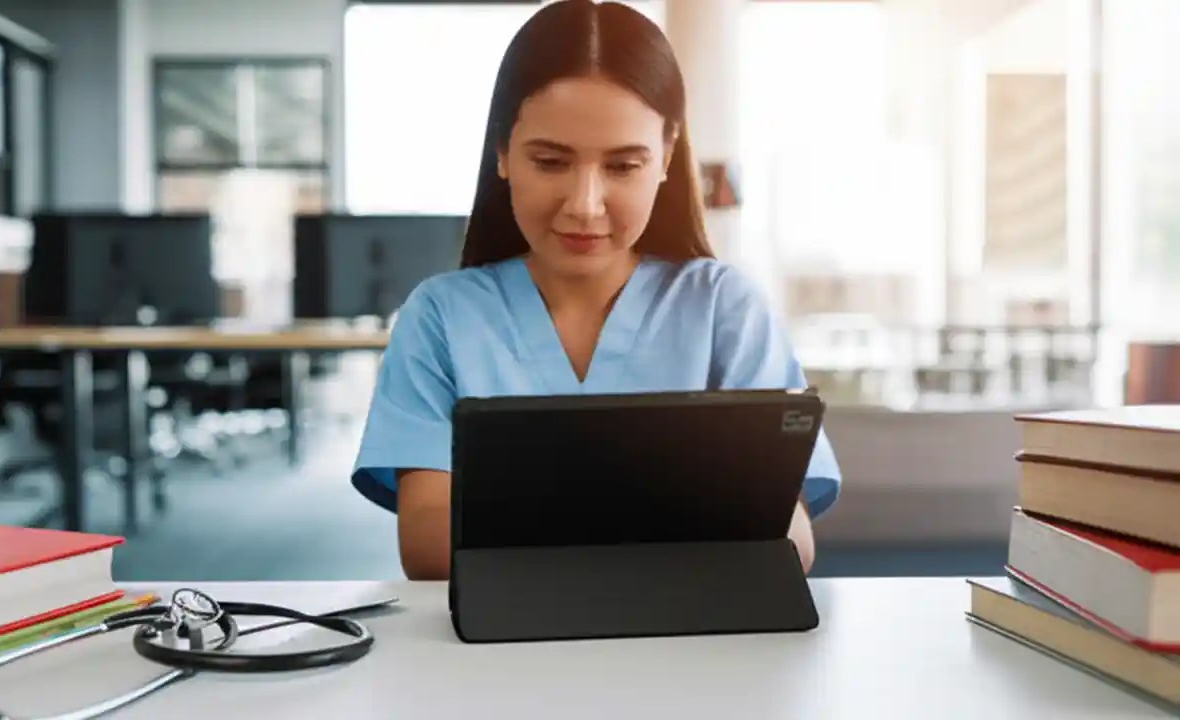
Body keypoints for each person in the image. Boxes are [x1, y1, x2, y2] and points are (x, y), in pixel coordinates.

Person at [350, 0, 841, 580]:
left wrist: (528, 523)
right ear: (503, 152)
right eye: (551, 161)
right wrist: (677, 513)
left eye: (623, 166)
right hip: (496, 657)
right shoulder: (440, 317)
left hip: (693, 652)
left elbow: (785, 540)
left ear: (665, 155)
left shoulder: (724, 308)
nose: (585, 205)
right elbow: (430, 544)